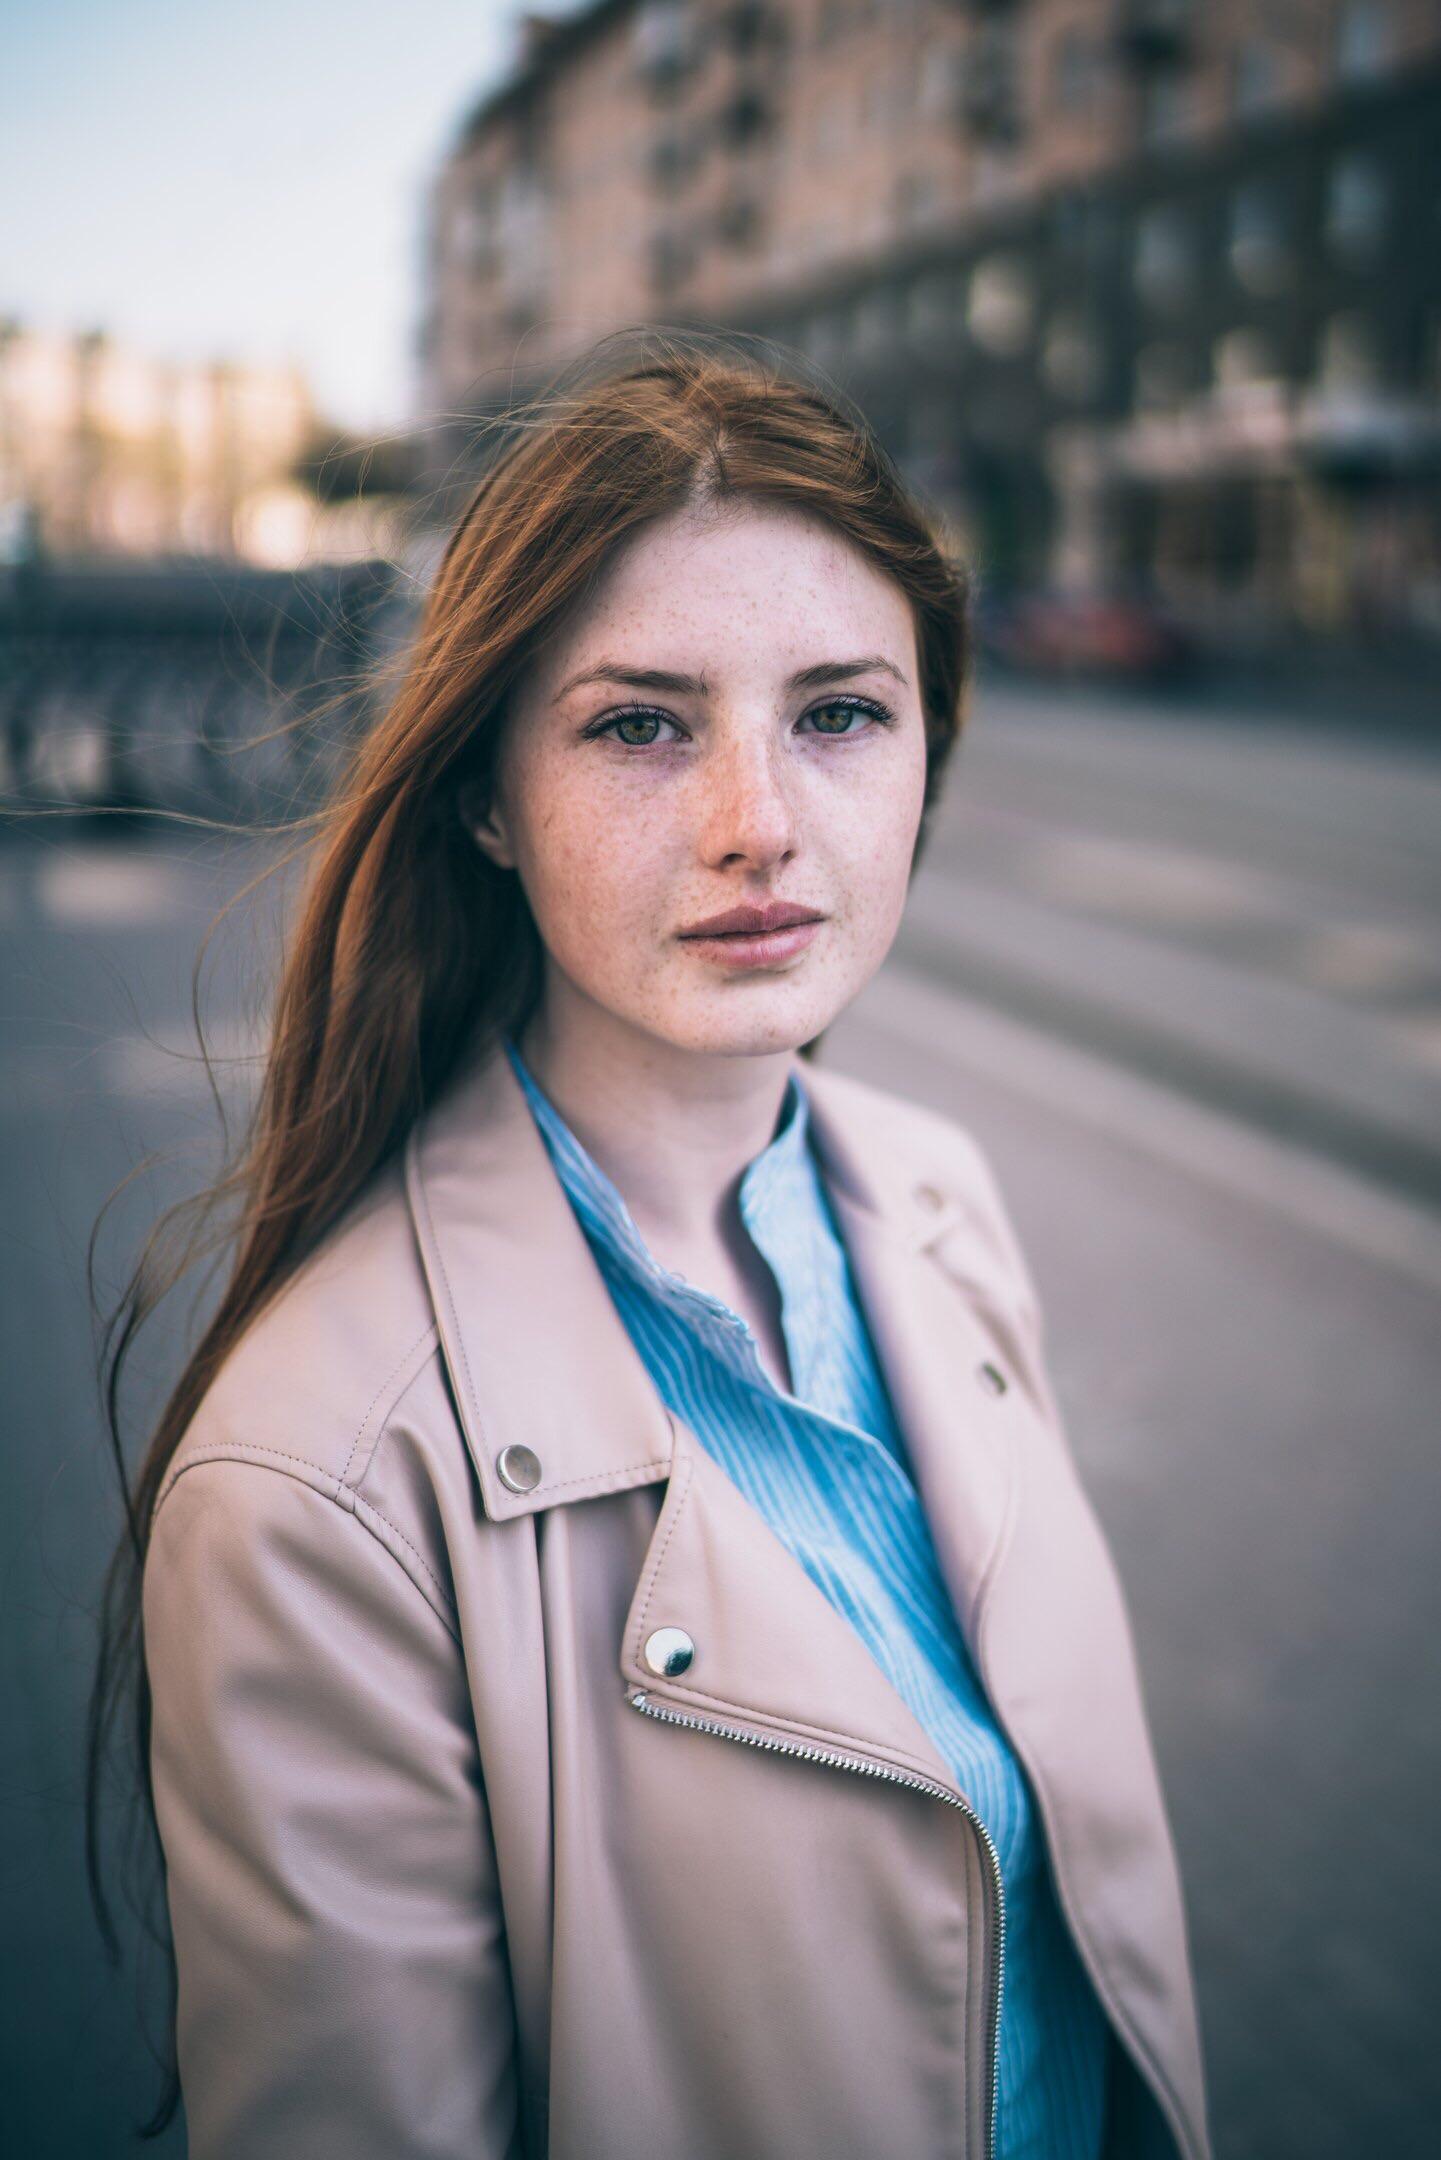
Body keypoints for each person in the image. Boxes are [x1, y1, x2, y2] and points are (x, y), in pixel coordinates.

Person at [97, 335, 1211, 2159]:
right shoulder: (318, 1483)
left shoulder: (933, 1197)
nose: (757, 823)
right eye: (639, 724)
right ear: (482, 797)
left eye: (839, 713)